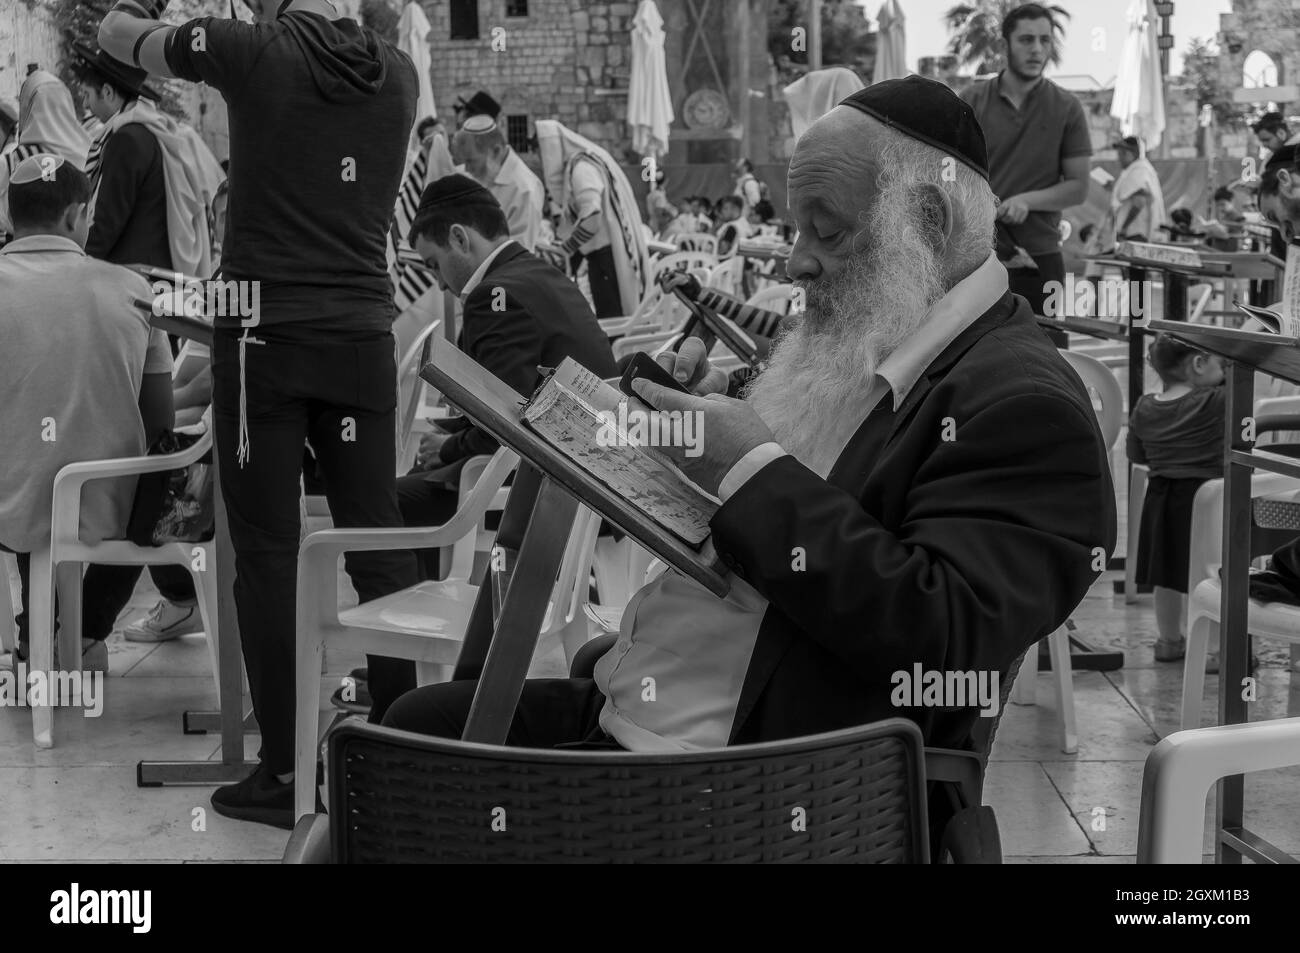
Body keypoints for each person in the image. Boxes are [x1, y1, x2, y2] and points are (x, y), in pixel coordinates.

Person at [382, 77, 1115, 850]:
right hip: (657, 702)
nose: (796, 263)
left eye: (826, 232)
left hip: (760, 776)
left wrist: (751, 467)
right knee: (417, 725)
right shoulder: (891, 327)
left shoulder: (1025, 405)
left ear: (927, 222)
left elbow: (943, 630)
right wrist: (684, 411)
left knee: (402, 775)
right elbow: (813, 466)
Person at [100, 0, 420, 828]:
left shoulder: (251, 49)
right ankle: (411, 751)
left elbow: (116, 40)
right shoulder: (400, 73)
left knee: (270, 556)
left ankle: (284, 772)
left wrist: (159, 14)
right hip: (360, 333)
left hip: (265, 337)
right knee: (376, 539)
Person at [0, 155, 173, 673]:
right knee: (148, 481)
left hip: (7, 502)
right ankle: (80, 631)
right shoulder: (134, 291)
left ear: (9, 218)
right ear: (77, 215)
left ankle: (38, 638)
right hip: (109, 506)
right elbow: (159, 425)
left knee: (40, 495)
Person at [397, 174, 617, 579]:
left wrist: (446, 448)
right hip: (599, 474)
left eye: (434, 265)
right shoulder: (538, 271)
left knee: (390, 503)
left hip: (554, 488)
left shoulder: (494, 295)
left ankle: (418, 627)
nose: (441, 283)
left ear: (460, 239)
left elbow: (503, 423)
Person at [961, 3, 1090, 342]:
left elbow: (1078, 188)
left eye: (1045, 41)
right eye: (1026, 40)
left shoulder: (1067, 107)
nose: (1037, 49)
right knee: (975, 358)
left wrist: (1027, 201)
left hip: (1041, 254)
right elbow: (947, 172)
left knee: (1047, 356)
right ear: (1004, 46)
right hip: (976, 256)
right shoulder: (971, 101)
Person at [73, 43, 224, 278]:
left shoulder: (127, 140)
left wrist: (73, 266)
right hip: (158, 272)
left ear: (108, 92)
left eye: (87, 95)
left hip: (135, 280)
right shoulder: (147, 132)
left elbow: (107, 223)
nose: (84, 105)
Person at [1127, 334, 1225, 663]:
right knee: (1215, 575)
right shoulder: (1214, 401)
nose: (1222, 368)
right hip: (1208, 500)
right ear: (1198, 364)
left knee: (1165, 576)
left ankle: (1168, 641)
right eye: (1216, 361)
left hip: (1161, 500)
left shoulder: (1144, 407)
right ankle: (1214, 652)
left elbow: (1135, 452)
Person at [536, 119, 650, 319]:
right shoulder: (580, 165)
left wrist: (565, 249)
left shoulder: (582, 169)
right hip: (602, 256)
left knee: (612, 318)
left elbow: (592, 219)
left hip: (607, 257)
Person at [0, 68, 90, 242]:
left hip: (23, 249)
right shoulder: (88, 150)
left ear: (27, 108)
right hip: (76, 249)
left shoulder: (15, 158)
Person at [451, 114, 545, 251]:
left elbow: (518, 254)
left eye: (471, 161)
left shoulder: (525, 190)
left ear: (496, 151)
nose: (466, 169)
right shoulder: (478, 172)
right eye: (464, 162)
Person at [1106, 136, 1166, 245]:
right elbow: (1129, 195)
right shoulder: (1135, 170)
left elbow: (1139, 202)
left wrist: (1124, 228)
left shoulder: (1140, 170)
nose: (1119, 159)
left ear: (1129, 154)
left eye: (1121, 154)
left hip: (1135, 233)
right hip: (1133, 233)